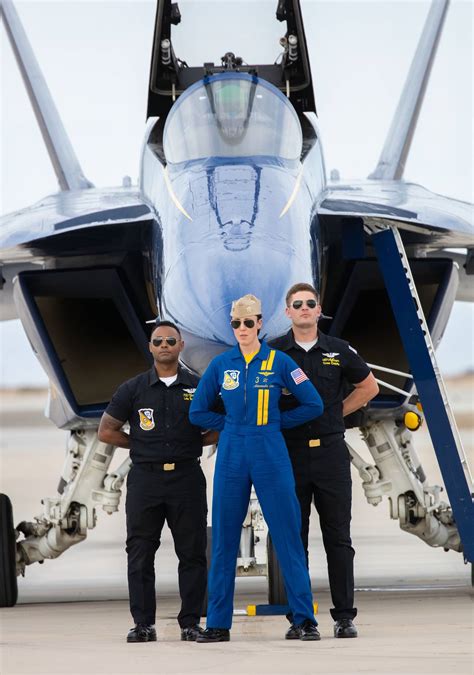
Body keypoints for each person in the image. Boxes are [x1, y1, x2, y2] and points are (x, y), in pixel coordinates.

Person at [189, 294, 324, 643]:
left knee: (287, 535)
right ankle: (218, 624)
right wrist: (231, 424)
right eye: (236, 323)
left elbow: (313, 403)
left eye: (249, 322)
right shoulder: (222, 365)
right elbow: (197, 412)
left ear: (260, 324)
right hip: (233, 450)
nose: (243, 329)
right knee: (223, 539)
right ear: (231, 327)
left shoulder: (279, 363)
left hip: (270, 448)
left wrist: (277, 422)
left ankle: (304, 620)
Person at [269, 282, 379, 639]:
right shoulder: (273, 354)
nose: (303, 308)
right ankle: (300, 619)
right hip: (290, 454)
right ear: (287, 312)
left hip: (330, 453)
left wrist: (335, 413)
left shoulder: (339, 350)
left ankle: (344, 616)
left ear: (319, 310)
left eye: (310, 303)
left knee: (338, 537)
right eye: (297, 304)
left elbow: (369, 387)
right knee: (293, 537)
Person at [98, 320, 216, 643]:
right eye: (158, 341)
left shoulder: (198, 386)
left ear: (181, 347)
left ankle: (190, 623)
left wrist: (191, 445)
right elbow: (106, 430)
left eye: (170, 340)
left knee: (191, 554)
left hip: (186, 478)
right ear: (150, 347)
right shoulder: (132, 389)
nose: (164, 345)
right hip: (145, 480)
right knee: (139, 553)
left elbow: (220, 423)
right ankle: (143, 624)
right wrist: (137, 446)